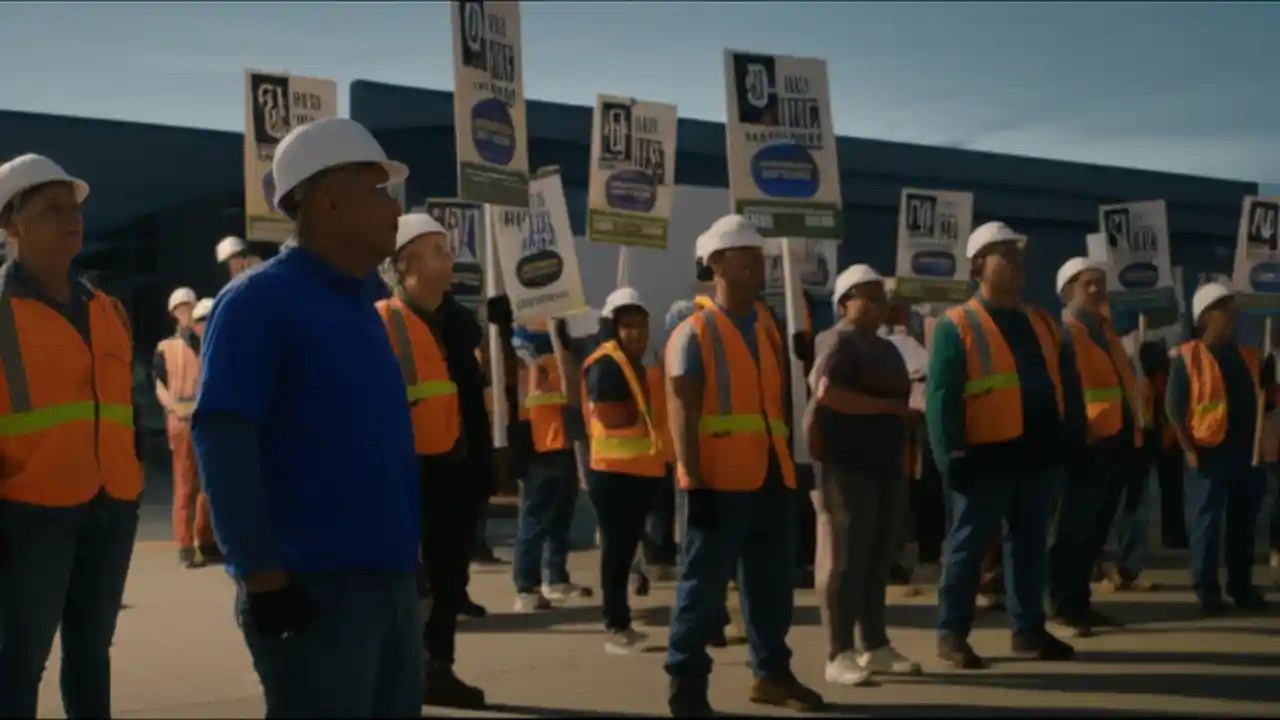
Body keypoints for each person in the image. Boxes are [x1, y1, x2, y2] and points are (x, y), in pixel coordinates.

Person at [191, 117, 423, 717]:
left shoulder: (364, 309)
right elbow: (223, 438)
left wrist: (407, 564)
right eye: (378, 190)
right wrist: (262, 576)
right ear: (329, 198)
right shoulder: (258, 303)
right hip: (314, 590)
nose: (394, 206)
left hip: (386, 580)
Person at [0, 153, 143, 719]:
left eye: (74, 207)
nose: (71, 219)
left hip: (112, 505)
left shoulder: (108, 309)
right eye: (51, 209)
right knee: (20, 659)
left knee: (91, 652)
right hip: (31, 513)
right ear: (11, 225)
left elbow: (120, 409)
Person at [665, 214, 824, 717]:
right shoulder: (693, 331)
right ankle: (686, 682)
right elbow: (683, 412)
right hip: (720, 482)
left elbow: (776, 409)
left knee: (772, 585)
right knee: (702, 587)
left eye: (761, 256)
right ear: (715, 263)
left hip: (772, 477)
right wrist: (694, 482)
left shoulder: (771, 329)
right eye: (746, 255)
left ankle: (771, 673)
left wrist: (795, 468)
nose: (759, 265)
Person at [926, 220, 1077, 669]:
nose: (1016, 265)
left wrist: (1065, 438)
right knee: (967, 548)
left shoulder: (1043, 322)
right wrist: (950, 456)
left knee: (1029, 547)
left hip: (1037, 456)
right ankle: (951, 634)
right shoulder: (956, 325)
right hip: (983, 458)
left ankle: (1028, 631)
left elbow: (1060, 384)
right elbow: (941, 398)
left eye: (1018, 257)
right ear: (977, 266)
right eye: (1004, 256)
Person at [376, 212, 488, 708]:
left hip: (454, 469)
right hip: (402, 472)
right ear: (406, 267)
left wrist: (485, 465)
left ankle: (438, 670)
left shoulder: (463, 326)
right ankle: (400, 674)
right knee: (404, 584)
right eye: (438, 249)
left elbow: (470, 401)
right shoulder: (382, 320)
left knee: (447, 580)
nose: (450, 256)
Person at [806, 264, 922, 687]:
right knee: (846, 560)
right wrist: (888, 410)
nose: (874, 305)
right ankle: (839, 653)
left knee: (877, 557)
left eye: (879, 298)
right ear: (842, 304)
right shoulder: (837, 342)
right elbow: (829, 394)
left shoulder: (888, 349)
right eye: (864, 297)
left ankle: (875, 645)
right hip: (845, 465)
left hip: (886, 464)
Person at [1046, 257, 1142, 636]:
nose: (1098, 289)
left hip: (1113, 442)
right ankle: (1059, 608)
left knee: (1094, 530)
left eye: (1101, 282)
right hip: (1082, 446)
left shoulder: (1104, 330)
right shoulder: (1066, 333)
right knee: (1070, 530)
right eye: (1089, 283)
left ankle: (1079, 603)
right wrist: (1079, 433)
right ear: (1067, 290)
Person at [1165, 282, 1271, 613]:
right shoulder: (1187, 358)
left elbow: (1261, 399)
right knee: (1206, 524)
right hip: (1208, 454)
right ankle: (1207, 591)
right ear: (1205, 316)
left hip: (1245, 454)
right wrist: (1188, 449)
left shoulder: (1248, 355)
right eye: (1225, 309)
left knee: (1243, 524)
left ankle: (1241, 587)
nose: (1233, 317)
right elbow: (1174, 408)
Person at [580, 287, 667, 654]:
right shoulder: (607, 363)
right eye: (628, 326)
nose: (637, 334)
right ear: (613, 327)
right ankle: (616, 625)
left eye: (642, 325)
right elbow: (616, 413)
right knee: (617, 552)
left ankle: (620, 620)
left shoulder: (633, 365)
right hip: (615, 473)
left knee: (624, 547)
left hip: (638, 470)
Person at [511, 321, 594, 611]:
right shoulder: (538, 358)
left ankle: (555, 577)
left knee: (560, 515)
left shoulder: (550, 356)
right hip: (542, 445)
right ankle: (526, 585)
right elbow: (565, 389)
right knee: (536, 517)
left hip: (561, 441)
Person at [153, 286, 217, 569]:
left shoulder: (206, 342)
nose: (186, 312)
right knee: (184, 483)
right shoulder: (166, 347)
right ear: (173, 314)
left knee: (207, 484)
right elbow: (158, 383)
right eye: (181, 308)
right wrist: (171, 408)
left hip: (204, 418)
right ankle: (184, 544)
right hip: (180, 420)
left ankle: (203, 539)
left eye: (189, 306)